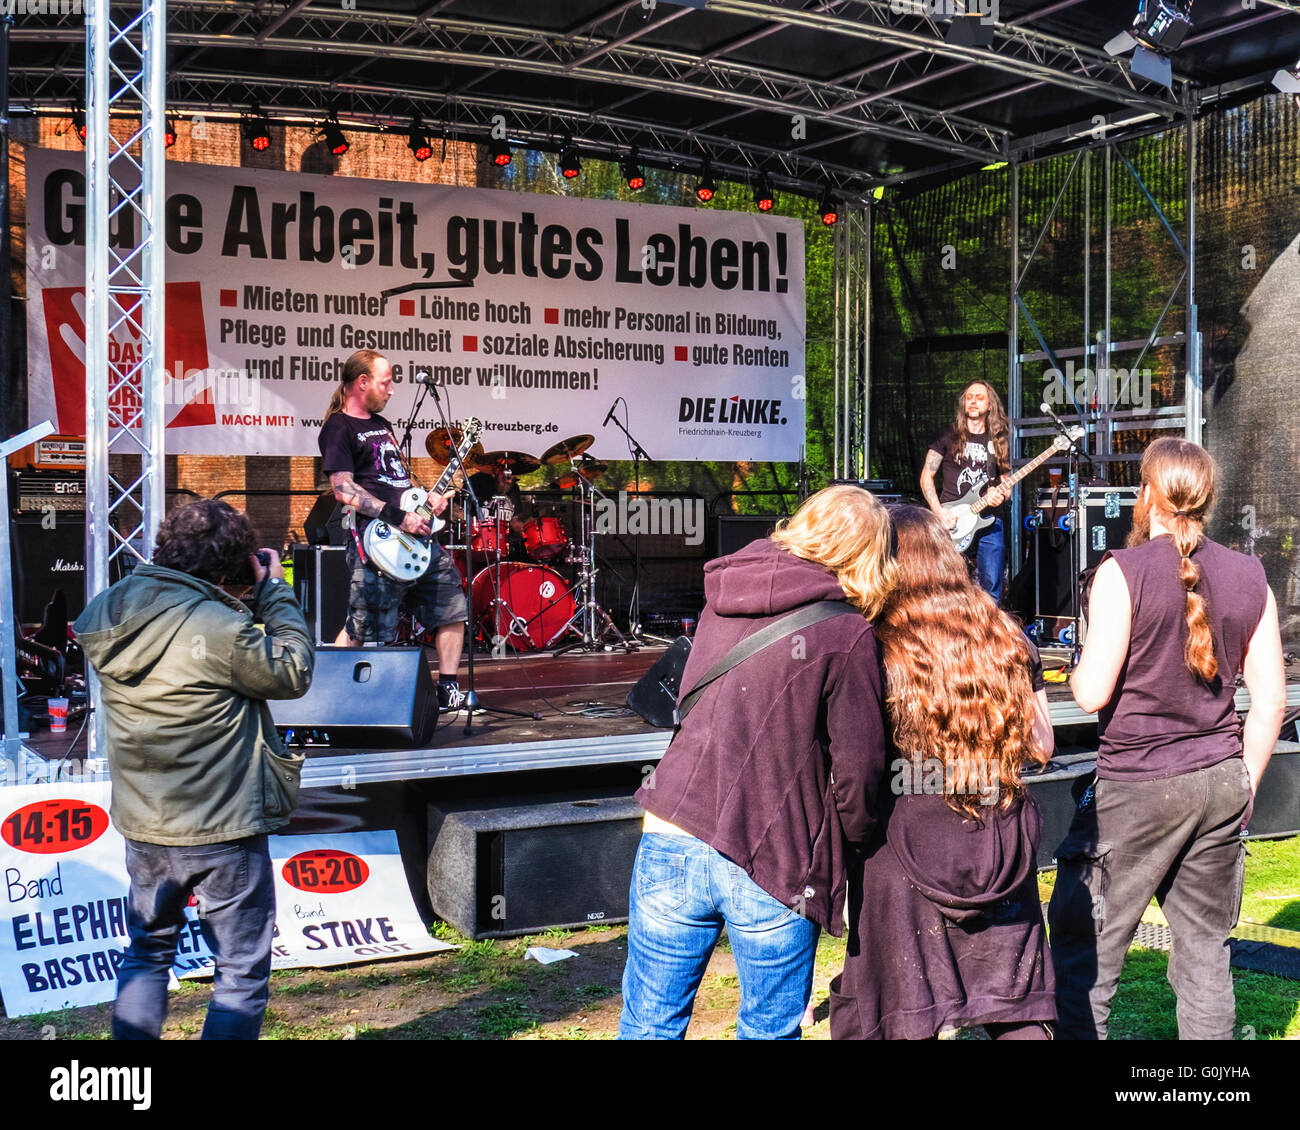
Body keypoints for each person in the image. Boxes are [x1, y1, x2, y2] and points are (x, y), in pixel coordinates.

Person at [618, 485, 897, 1040]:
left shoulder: (723, 593)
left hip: (672, 824)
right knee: (768, 1032)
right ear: (869, 553)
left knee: (647, 1025)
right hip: (776, 856)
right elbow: (859, 773)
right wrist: (857, 843)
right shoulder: (846, 631)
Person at [1048, 437, 1286, 1040]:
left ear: (1146, 495)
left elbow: (1091, 693)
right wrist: (1246, 788)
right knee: (1206, 956)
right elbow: (1273, 702)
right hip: (1217, 780)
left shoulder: (1119, 571)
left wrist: (1073, 666)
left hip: (1135, 791)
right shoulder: (1250, 573)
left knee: (1088, 957)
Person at [73, 500, 315, 1039]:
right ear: (230, 567)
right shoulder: (220, 626)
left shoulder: (109, 609)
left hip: (146, 823)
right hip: (222, 826)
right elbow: (293, 670)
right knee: (240, 971)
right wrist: (272, 589)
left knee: (147, 954)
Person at [829, 505, 1056, 1040]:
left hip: (901, 851)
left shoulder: (869, 644)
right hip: (999, 840)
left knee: (900, 1012)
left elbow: (856, 762)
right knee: (1014, 1005)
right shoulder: (1009, 637)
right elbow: (1042, 746)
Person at [318, 349, 468, 711]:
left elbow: (395, 482)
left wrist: (427, 500)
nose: (392, 390)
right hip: (376, 539)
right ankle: (330, 697)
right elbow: (343, 490)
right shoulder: (339, 427)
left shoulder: (382, 427)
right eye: (386, 382)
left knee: (451, 605)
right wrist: (398, 518)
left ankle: (448, 688)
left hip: (415, 535)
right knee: (361, 624)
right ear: (362, 383)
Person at [920, 380, 1012, 600]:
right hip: (953, 519)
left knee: (992, 589)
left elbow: (1006, 483)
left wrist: (1001, 495)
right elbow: (926, 476)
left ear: (990, 405)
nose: (973, 401)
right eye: (969, 397)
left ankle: (988, 632)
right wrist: (938, 511)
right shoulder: (947, 435)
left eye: (979, 397)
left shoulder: (999, 439)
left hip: (989, 519)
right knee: (948, 585)